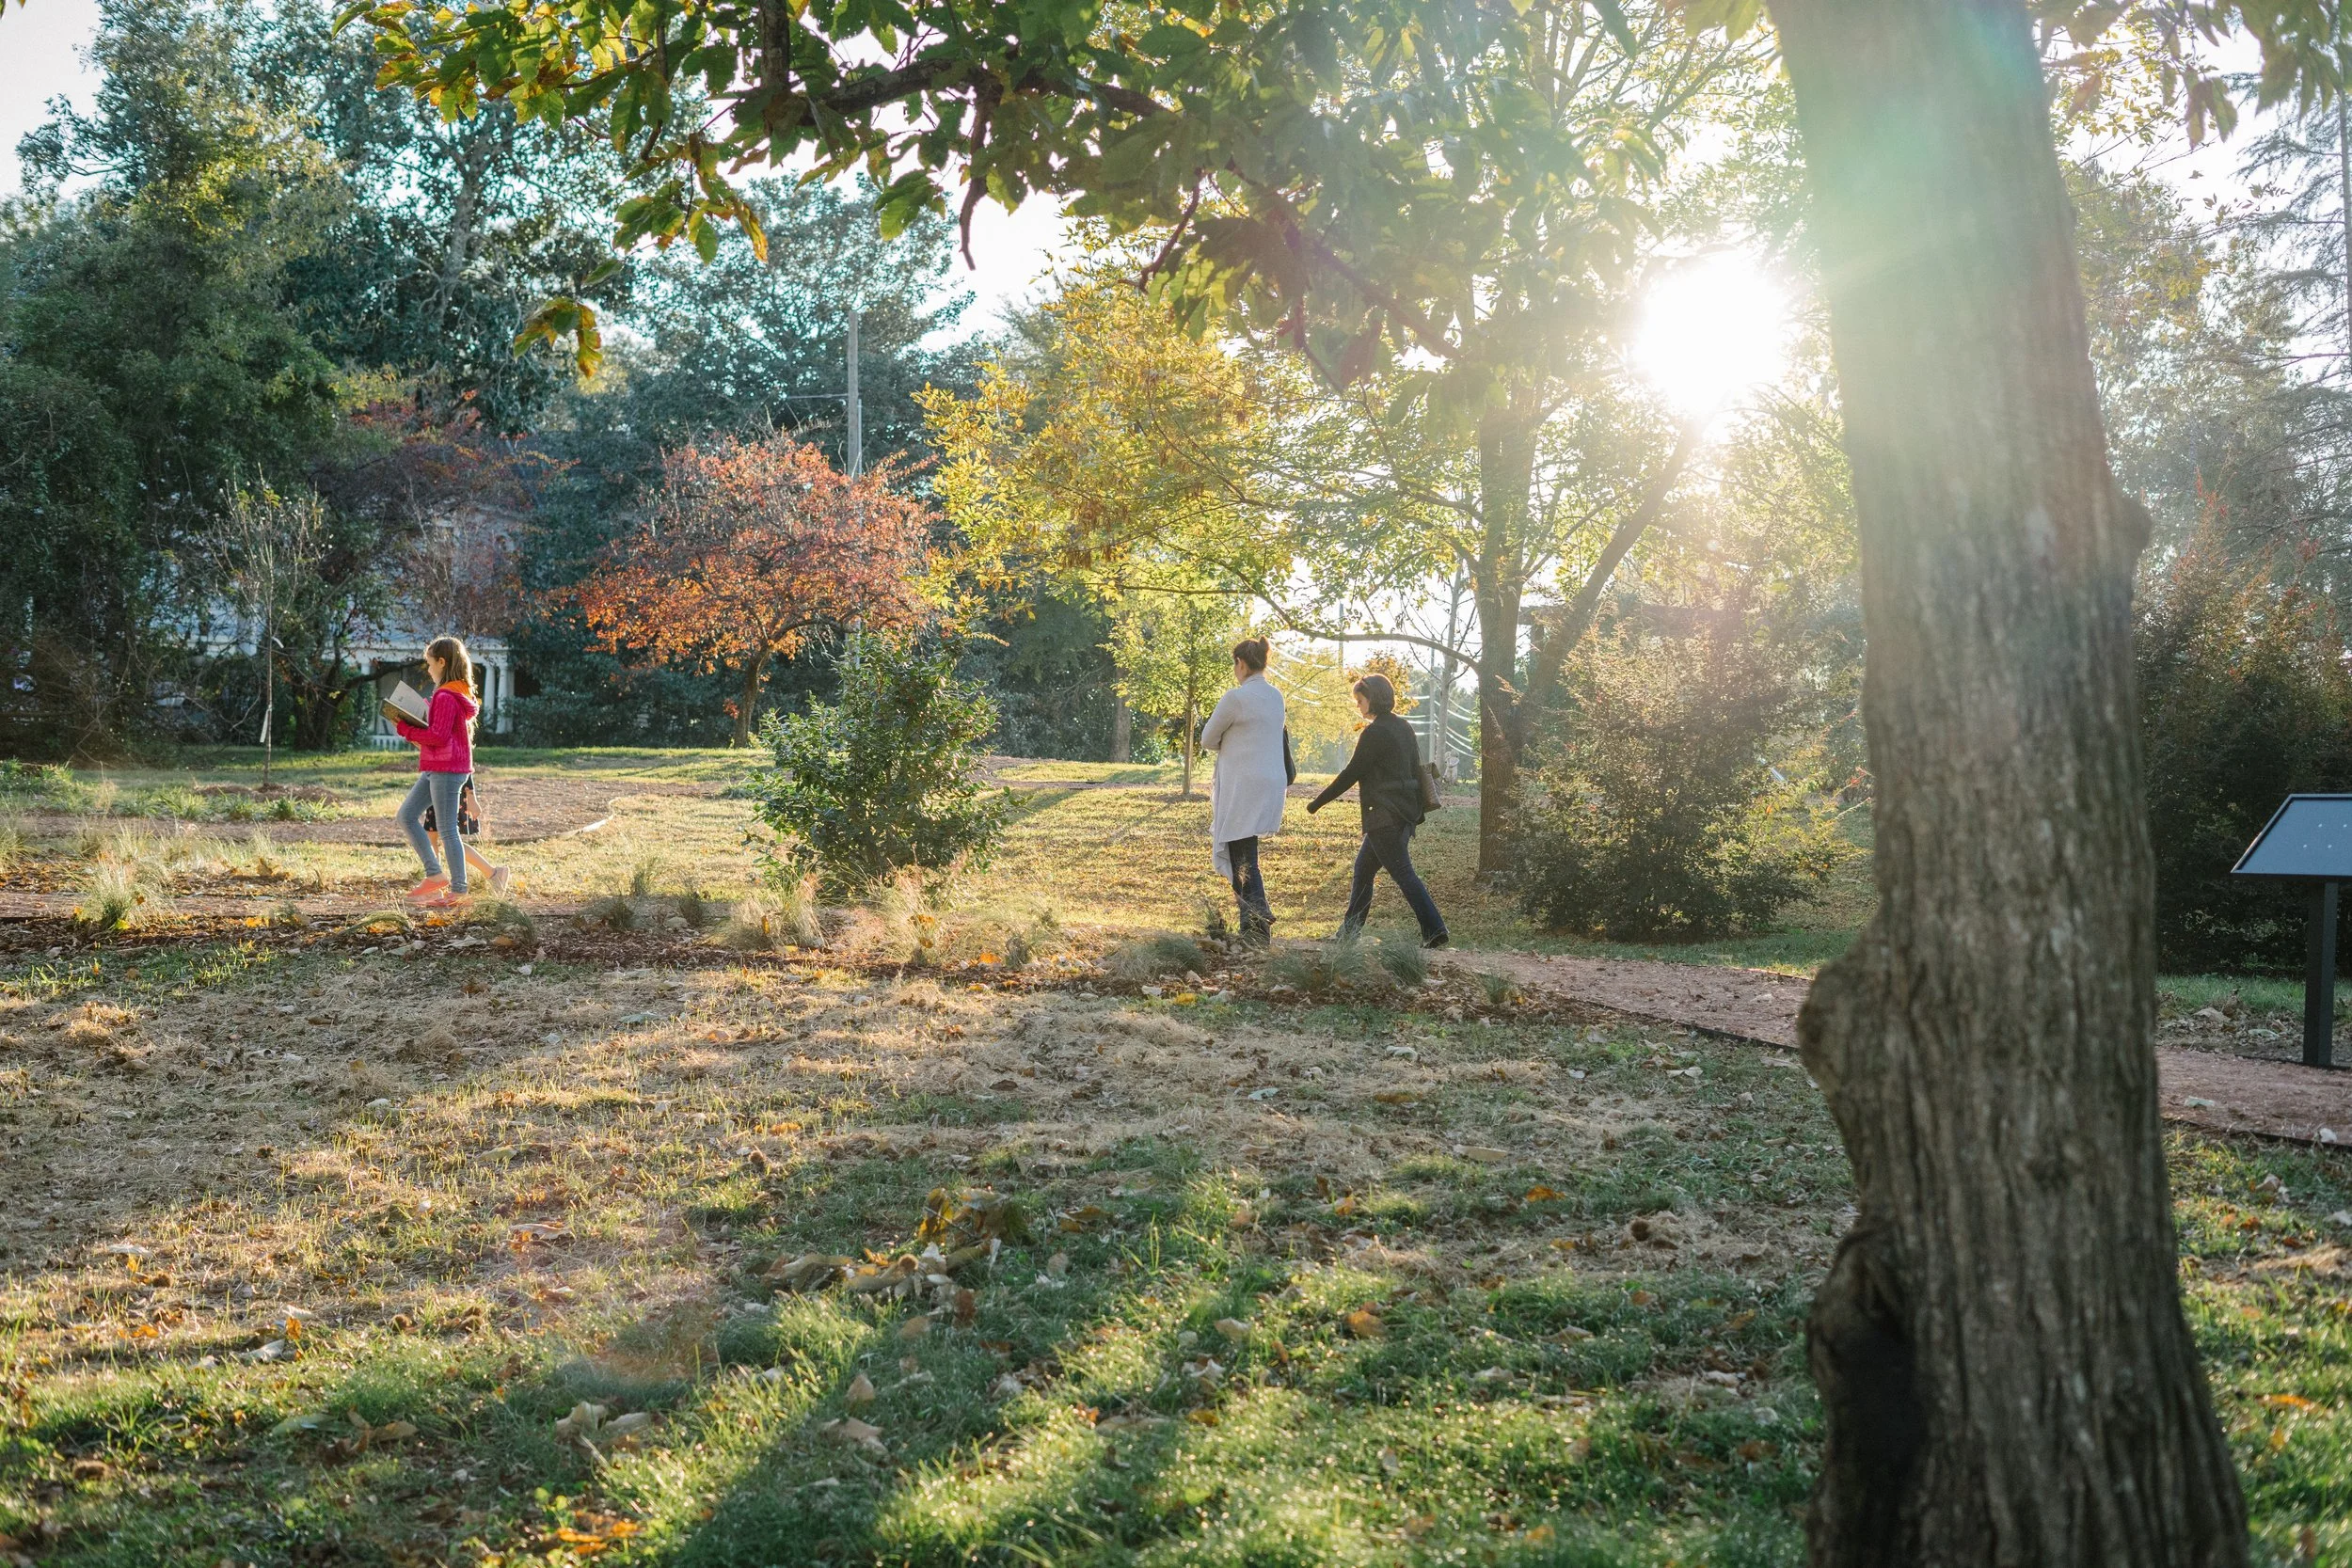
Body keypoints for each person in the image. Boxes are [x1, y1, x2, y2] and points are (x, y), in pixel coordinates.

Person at [1307, 671, 1449, 949]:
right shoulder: (1403, 727)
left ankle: (1435, 930)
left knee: (1403, 873)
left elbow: (1351, 773)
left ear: (1373, 698)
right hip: (1406, 811)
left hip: (1385, 814)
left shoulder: (1375, 733)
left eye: (1360, 700)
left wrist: (1317, 802)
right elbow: (1414, 769)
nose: (1358, 706)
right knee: (1363, 870)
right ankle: (1349, 933)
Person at [1199, 636, 1289, 944]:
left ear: (1241, 663)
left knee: (1243, 854)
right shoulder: (1276, 696)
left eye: (1234, 664)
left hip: (1243, 786)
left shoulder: (1235, 698)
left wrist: (1230, 742)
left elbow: (1208, 739)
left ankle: (1258, 917)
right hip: (1270, 783)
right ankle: (1251, 927)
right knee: (1243, 851)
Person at [387, 636, 481, 908]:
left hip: (446, 768)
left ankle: (460, 891)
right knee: (406, 815)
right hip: (438, 767)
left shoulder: (446, 695)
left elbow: (438, 736)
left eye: (430, 664)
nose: (428, 669)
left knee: (448, 829)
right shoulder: (457, 692)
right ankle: (435, 875)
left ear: (442, 662)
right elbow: (444, 729)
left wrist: (404, 728)